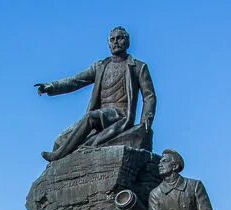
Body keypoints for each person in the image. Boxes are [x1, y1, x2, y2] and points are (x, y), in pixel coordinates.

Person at [35, 26, 156, 162]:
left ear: (127, 42)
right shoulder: (100, 66)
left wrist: (146, 120)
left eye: (120, 38)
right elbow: (76, 81)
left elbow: (149, 96)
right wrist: (52, 87)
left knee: (90, 117)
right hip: (100, 115)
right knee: (60, 139)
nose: (115, 42)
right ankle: (56, 168)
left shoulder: (138, 67)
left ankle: (57, 155)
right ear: (108, 44)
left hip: (120, 115)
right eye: (112, 39)